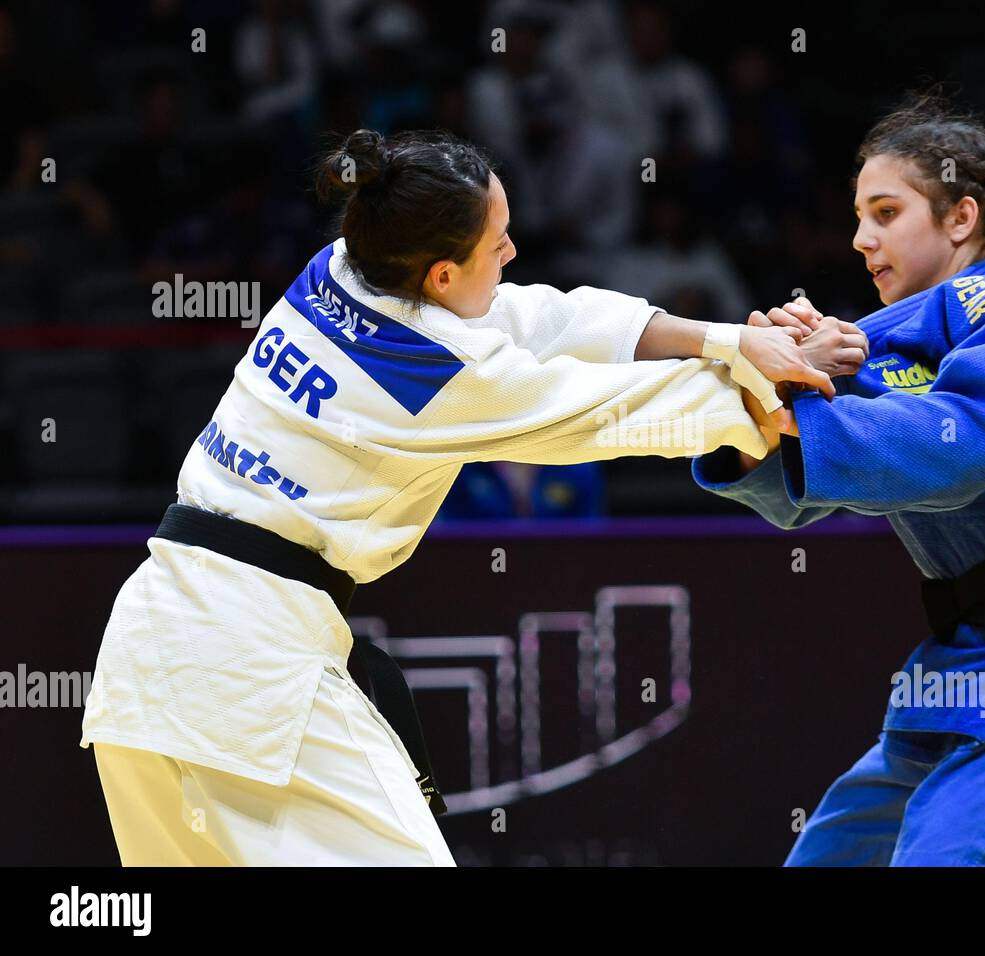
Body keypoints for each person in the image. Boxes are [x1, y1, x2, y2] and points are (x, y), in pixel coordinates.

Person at [79, 128, 844, 866]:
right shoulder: (439, 378)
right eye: (497, 243)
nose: (512, 253)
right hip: (250, 670)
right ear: (441, 275)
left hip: (147, 663)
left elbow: (538, 316)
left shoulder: (341, 265)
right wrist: (763, 392)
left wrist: (729, 341)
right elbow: (595, 415)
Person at [692, 94, 985, 866]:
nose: (859, 238)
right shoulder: (874, 341)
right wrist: (758, 392)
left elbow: (968, 444)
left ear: (960, 218)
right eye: (856, 216)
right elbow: (802, 486)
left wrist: (799, 408)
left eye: (885, 211)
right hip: (960, 667)